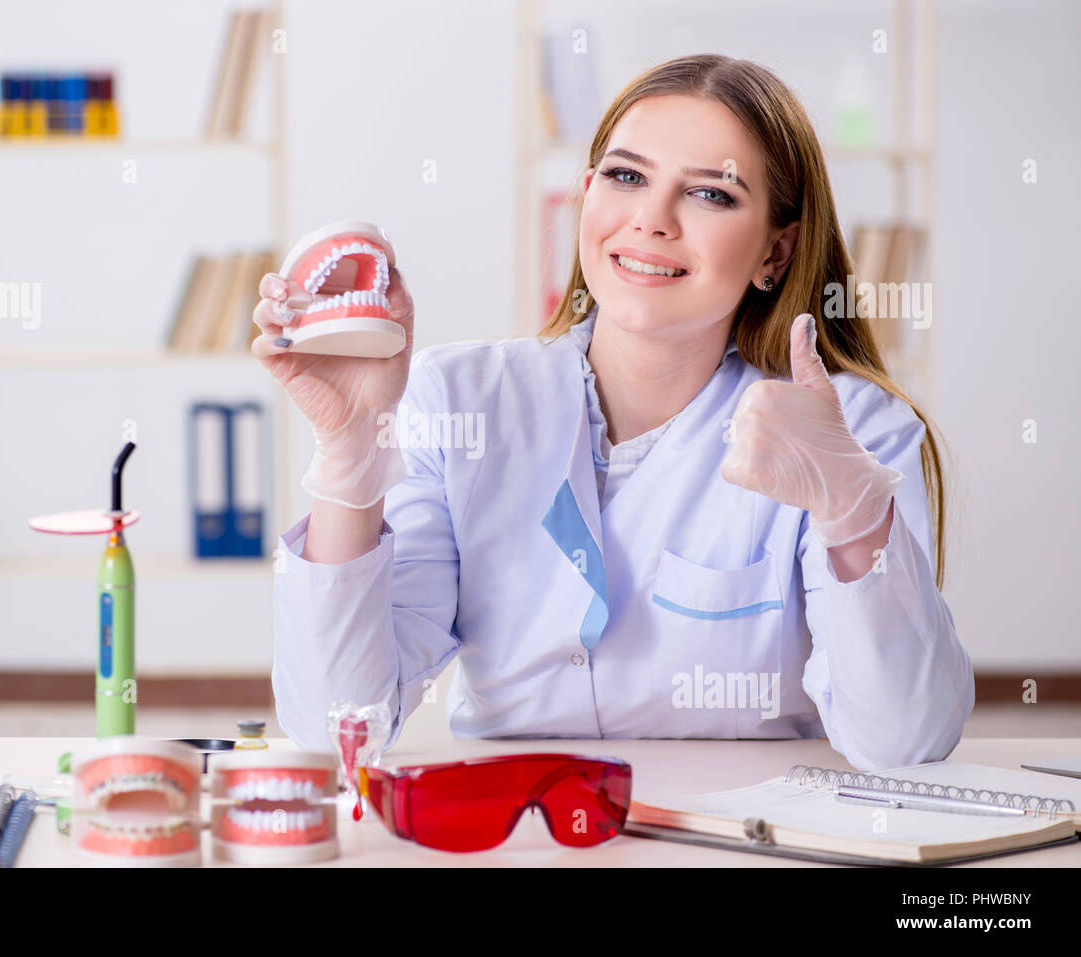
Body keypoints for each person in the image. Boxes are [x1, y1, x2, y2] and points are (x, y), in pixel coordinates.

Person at [250, 54, 973, 772]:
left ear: (775, 253)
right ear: (588, 194)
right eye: (627, 177)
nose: (651, 221)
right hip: (519, 838)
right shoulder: (456, 399)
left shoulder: (849, 432)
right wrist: (348, 451)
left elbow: (904, 741)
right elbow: (335, 723)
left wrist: (850, 508)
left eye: (712, 195)